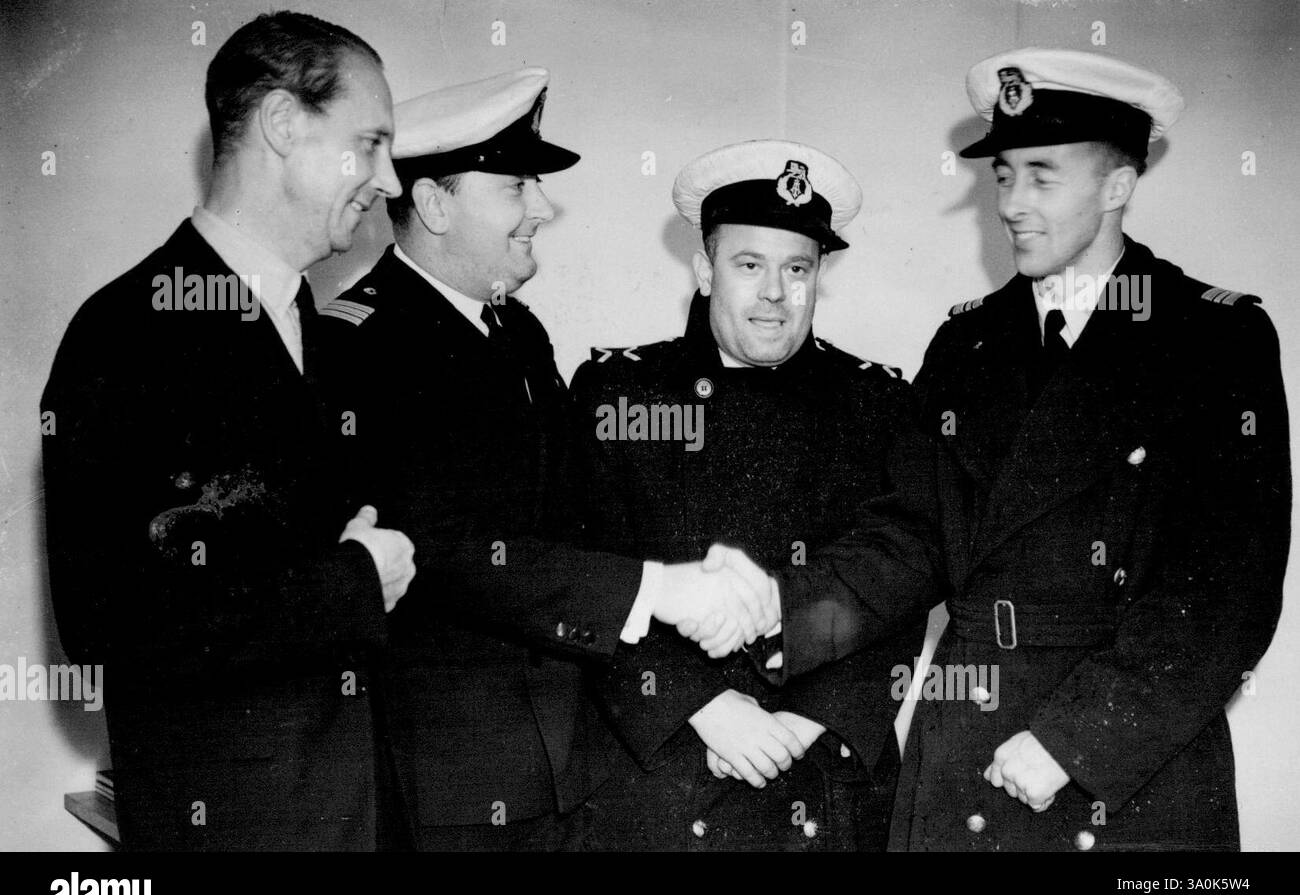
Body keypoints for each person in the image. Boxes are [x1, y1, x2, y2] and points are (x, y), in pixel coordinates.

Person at [711, 48, 1290, 851]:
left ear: (1118, 185)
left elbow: (1227, 593)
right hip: (968, 737)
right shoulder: (968, 342)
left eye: (1043, 176)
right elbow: (910, 537)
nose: (1013, 203)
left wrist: (1077, 743)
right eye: (1004, 175)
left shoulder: (1212, 339)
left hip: (1123, 766)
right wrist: (784, 606)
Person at [316, 69, 777, 851]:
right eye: (517, 186)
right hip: (446, 786)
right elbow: (442, 547)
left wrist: (703, 583)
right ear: (433, 203)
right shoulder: (359, 344)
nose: (541, 208)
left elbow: (579, 513)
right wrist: (659, 589)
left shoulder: (514, 333)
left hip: (565, 762)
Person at [40, 11, 417, 850]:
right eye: (372, 142)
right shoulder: (126, 333)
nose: (388, 179)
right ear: (284, 124)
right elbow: (111, 623)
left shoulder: (312, 327)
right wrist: (354, 579)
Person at [570, 141, 924, 850]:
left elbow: (909, 572)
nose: (775, 292)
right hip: (662, 772)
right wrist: (692, 703)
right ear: (704, 269)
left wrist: (807, 720)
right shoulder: (619, 395)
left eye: (798, 268)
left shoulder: (879, 404)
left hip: (826, 775)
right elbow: (581, 575)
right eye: (749, 264)